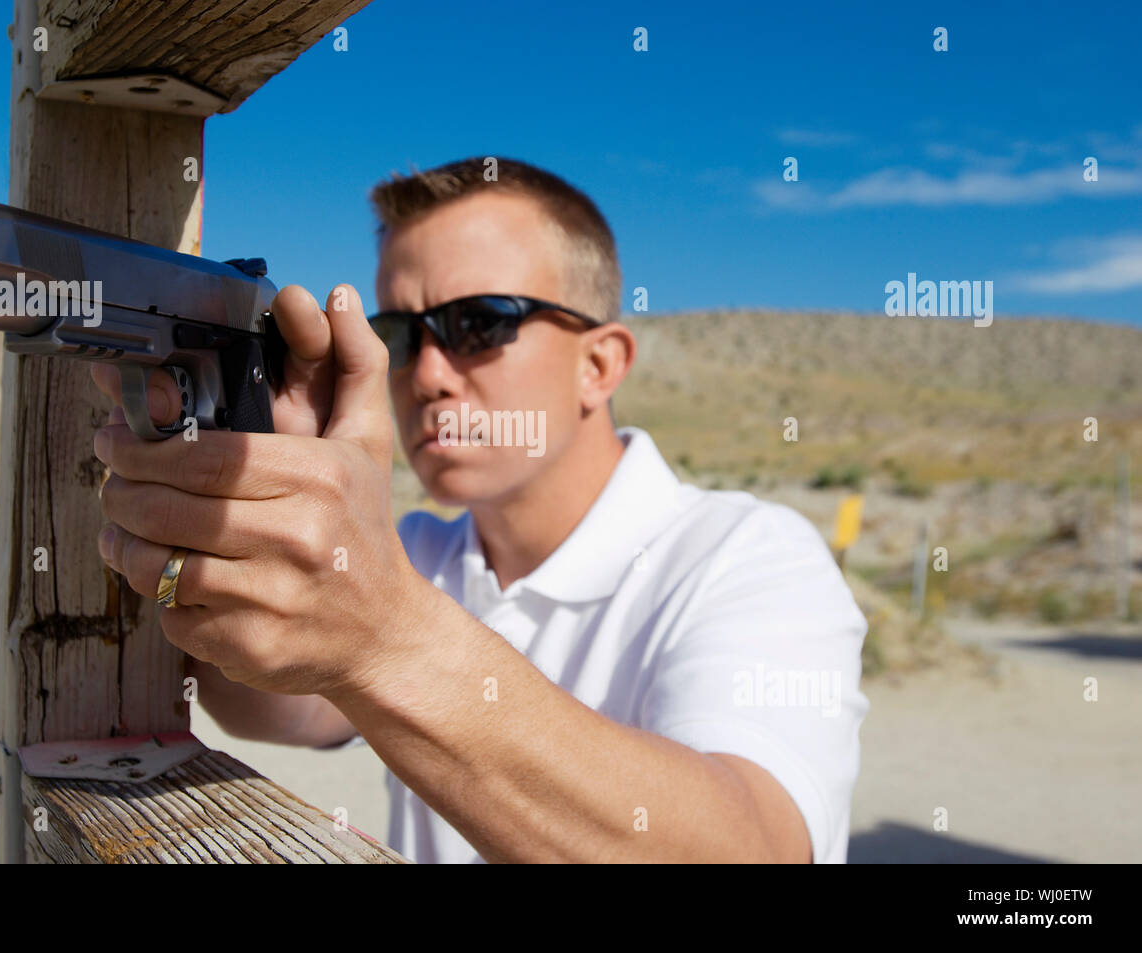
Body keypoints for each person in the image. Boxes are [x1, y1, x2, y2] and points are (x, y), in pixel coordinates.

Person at [90, 156, 869, 863]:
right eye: (399, 332)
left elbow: (755, 846)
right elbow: (273, 710)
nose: (428, 373)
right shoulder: (424, 554)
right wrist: (228, 535)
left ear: (599, 365)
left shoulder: (750, 556)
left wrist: (386, 634)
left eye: (481, 323)